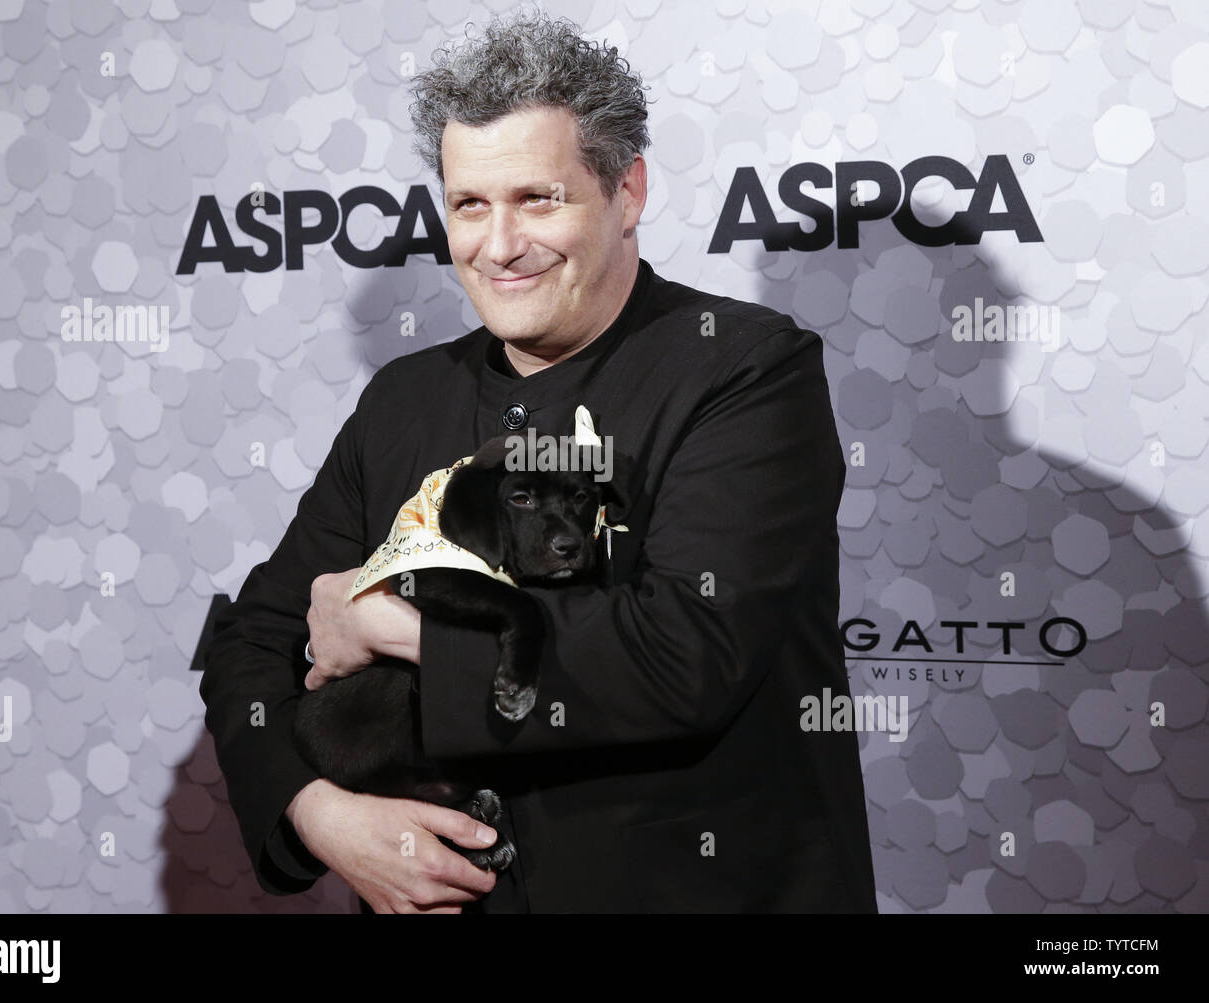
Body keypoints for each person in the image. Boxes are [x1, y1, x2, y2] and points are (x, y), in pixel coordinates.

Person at [200, 11, 878, 914]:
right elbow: (257, 640)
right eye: (470, 205)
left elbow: (685, 654)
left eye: (538, 199)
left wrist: (396, 629)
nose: (499, 245)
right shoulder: (404, 399)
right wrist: (318, 812)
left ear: (627, 192)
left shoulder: (746, 368)